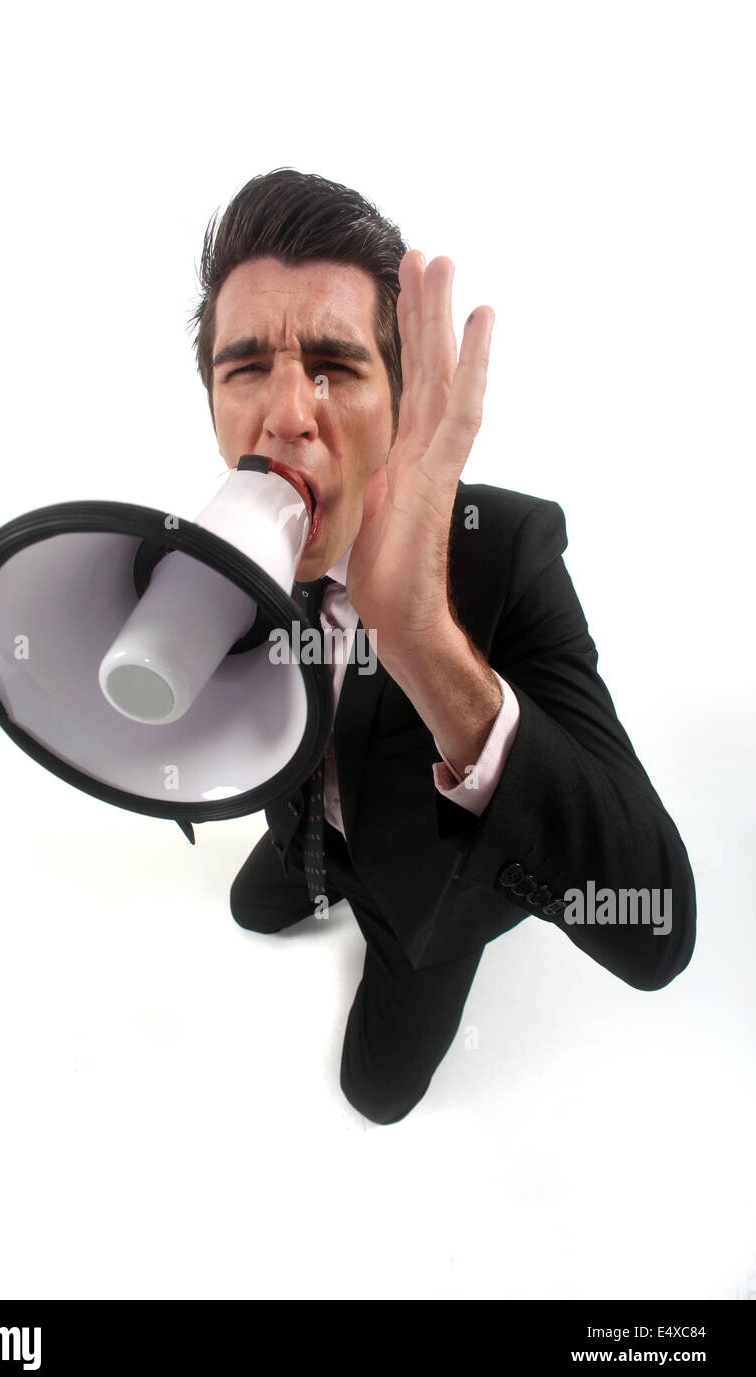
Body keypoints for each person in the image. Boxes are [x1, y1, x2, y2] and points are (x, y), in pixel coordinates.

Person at [186, 168, 697, 1124]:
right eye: (246, 366)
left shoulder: (509, 552)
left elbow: (659, 927)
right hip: (315, 834)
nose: (288, 412)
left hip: (430, 891)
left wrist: (416, 635)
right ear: (215, 405)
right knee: (253, 907)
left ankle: (466, 922)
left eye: (335, 364)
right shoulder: (222, 552)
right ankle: (319, 865)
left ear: (405, 400)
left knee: (375, 1094)